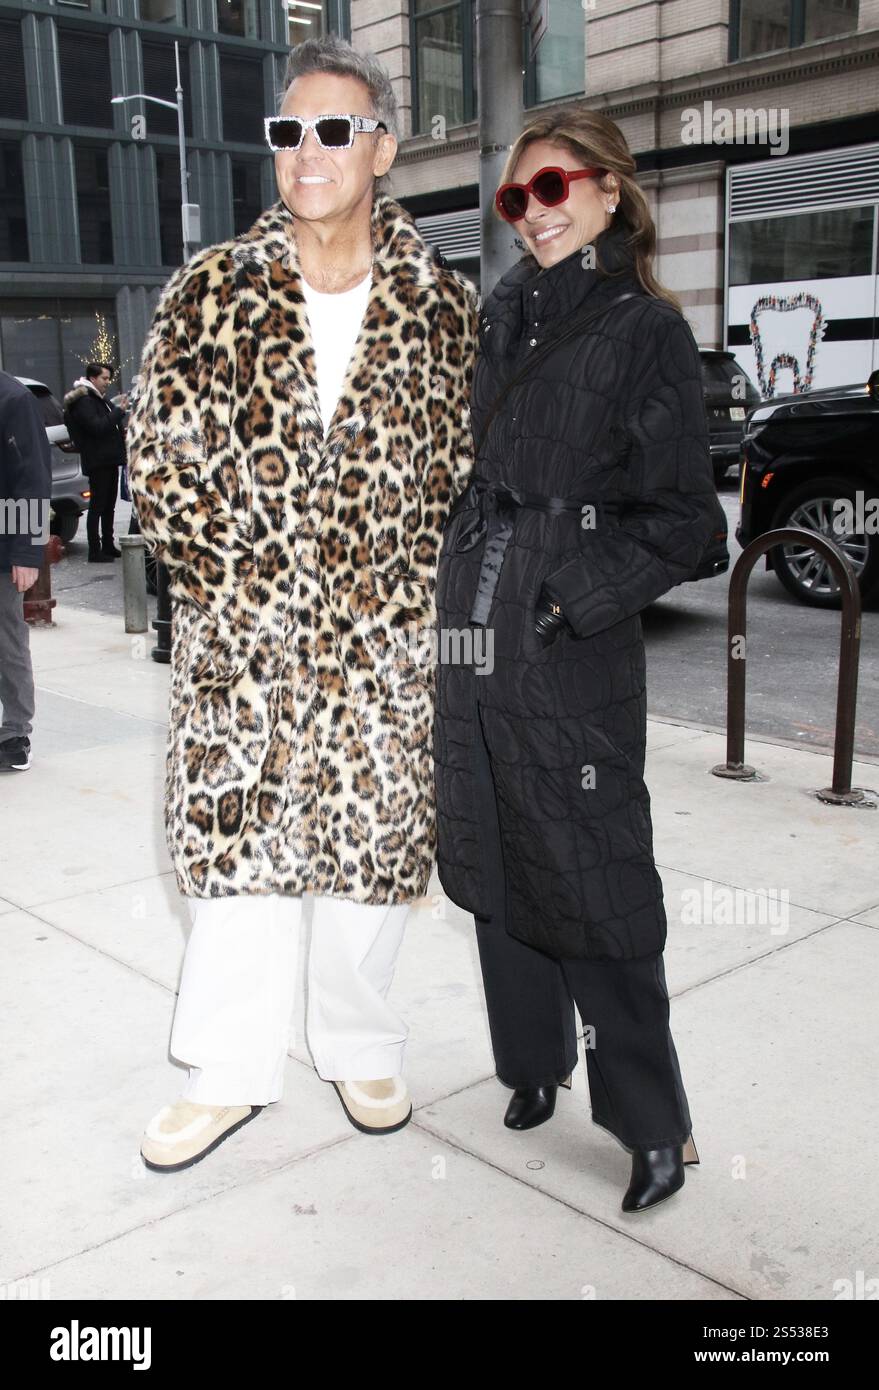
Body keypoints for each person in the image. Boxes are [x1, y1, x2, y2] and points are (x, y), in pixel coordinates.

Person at [126, 35, 478, 1172]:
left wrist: (408, 597)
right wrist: (238, 584)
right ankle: (227, 1069)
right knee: (236, 858)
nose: (309, 151)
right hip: (248, 639)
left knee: (371, 859)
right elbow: (160, 460)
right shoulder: (209, 290)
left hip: (383, 646)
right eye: (289, 131)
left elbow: (466, 475)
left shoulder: (443, 307)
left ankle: (359, 1041)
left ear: (382, 145)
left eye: (335, 129)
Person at [433, 108, 727, 1214]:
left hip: (565, 644)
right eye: (517, 199)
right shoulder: (501, 315)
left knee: (594, 882)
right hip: (472, 623)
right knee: (495, 858)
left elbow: (689, 521)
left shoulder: (643, 330)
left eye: (554, 189)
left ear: (611, 190)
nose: (535, 214)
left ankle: (656, 1124)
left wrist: (569, 598)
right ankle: (531, 1064)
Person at [0, 370, 52, 772]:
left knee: (6, 640)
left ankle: (15, 733)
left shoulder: (14, 399)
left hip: (3, 544)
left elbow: (31, 479)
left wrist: (26, 552)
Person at [63, 362, 128, 562]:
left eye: (108, 378)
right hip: (98, 460)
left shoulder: (97, 399)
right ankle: (95, 550)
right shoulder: (85, 401)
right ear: (93, 378)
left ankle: (108, 545)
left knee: (109, 506)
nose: (107, 383)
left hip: (108, 459)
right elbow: (98, 427)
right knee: (98, 506)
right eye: (104, 378)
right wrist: (118, 412)